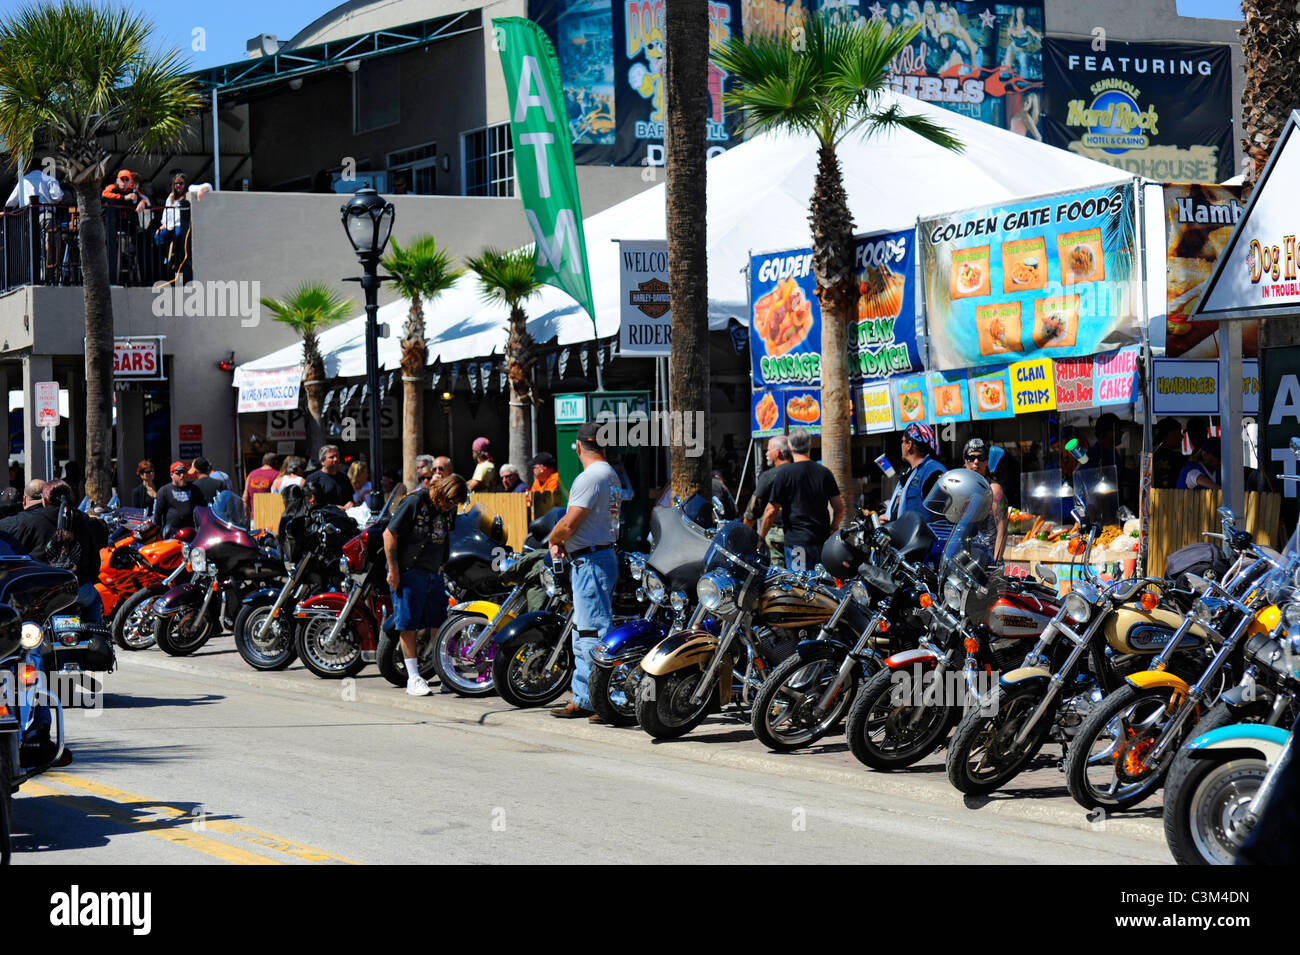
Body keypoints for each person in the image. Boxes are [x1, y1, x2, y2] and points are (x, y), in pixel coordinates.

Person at [547, 421, 622, 721]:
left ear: (578, 447)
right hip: (595, 558)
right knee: (585, 630)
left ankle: (602, 700)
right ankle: (586, 697)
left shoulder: (591, 477)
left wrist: (554, 539)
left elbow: (569, 522)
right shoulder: (610, 475)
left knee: (591, 633)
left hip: (590, 562)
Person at [383, 473, 467, 696]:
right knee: (407, 624)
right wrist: (393, 570)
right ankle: (413, 678)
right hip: (408, 571)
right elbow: (389, 533)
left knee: (438, 623)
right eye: (450, 501)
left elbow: (446, 534)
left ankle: (444, 674)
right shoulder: (414, 502)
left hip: (433, 572)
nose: (451, 507)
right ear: (442, 491)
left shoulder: (448, 508)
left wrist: (442, 562)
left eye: (454, 504)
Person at [0, 479, 102, 621]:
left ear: (45, 499)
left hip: (41, 590)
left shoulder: (28, 521)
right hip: (77, 587)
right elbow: (95, 553)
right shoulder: (82, 519)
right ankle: (97, 635)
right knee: (94, 599)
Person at [759, 428, 844, 572]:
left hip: (796, 543)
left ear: (790, 447)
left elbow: (771, 510)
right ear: (809, 446)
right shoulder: (824, 473)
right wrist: (833, 528)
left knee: (799, 589)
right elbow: (839, 508)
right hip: (822, 542)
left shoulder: (784, 474)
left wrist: (761, 537)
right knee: (822, 587)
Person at [883, 423, 947, 525]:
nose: (901, 445)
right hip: (905, 537)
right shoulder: (910, 471)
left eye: (903, 441)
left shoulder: (933, 472)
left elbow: (939, 514)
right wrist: (889, 517)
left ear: (909, 445)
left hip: (923, 538)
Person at [744, 435, 792, 565]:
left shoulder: (769, 476)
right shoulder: (800, 472)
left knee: (778, 576)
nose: (766, 453)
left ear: (777, 453)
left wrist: (748, 533)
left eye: (768, 450)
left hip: (777, 532)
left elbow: (753, 510)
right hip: (800, 532)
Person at [962, 438, 1007, 560]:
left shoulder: (993, 490)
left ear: (987, 461)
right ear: (965, 462)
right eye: (971, 458)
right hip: (965, 560)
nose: (976, 462)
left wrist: (995, 564)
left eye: (981, 458)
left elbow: (1002, 531)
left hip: (988, 560)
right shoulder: (962, 489)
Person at [153, 460, 208, 537]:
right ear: (171, 474)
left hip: (191, 534)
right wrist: (158, 535)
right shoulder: (164, 491)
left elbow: (203, 510)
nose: (182, 475)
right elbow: (157, 516)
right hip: (172, 535)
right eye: (178, 473)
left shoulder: (195, 489)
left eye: (184, 472)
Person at [1152, 419, 1185, 490]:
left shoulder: (1151, 455)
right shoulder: (1177, 458)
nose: (1181, 437)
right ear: (1169, 435)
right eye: (1178, 433)